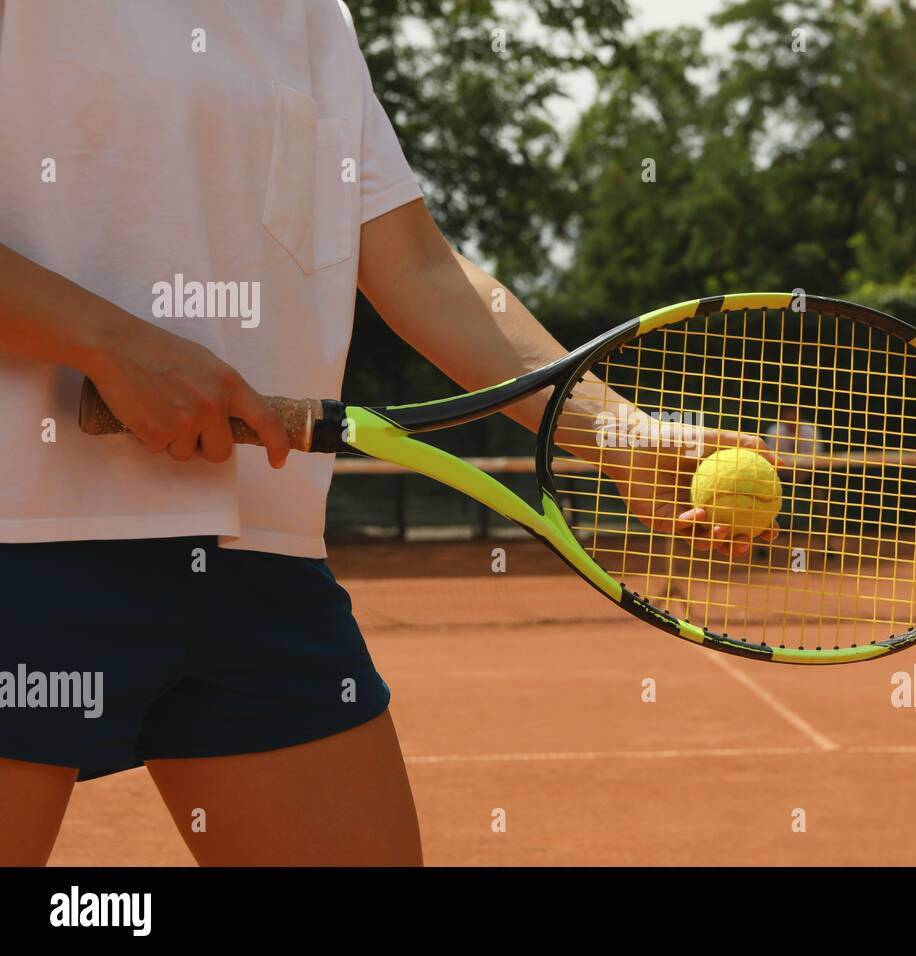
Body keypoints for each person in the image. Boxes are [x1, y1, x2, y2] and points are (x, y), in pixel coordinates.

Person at [0, 1, 751, 866]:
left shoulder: (312, 16)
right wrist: (109, 342)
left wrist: (613, 429)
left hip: (261, 560)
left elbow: (416, 264)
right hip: (24, 545)